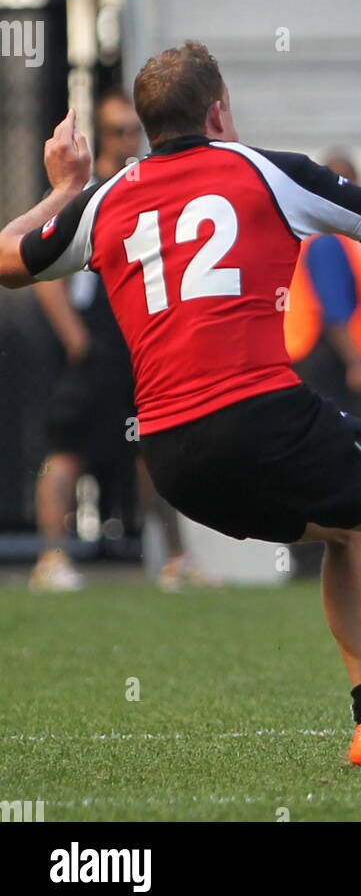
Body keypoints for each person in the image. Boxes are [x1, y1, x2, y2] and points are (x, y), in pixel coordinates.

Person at [0, 42, 361, 767]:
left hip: (171, 456)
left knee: (350, 530)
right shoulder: (264, 169)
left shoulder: (106, 199)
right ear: (220, 108)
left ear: (151, 125)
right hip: (260, 417)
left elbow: (8, 258)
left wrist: (65, 185)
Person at [29, 91, 197, 593]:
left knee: (156, 447)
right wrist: (78, 340)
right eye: (119, 131)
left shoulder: (145, 185)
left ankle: (176, 562)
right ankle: (51, 559)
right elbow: (41, 271)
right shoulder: (84, 193)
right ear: (101, 136)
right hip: (99, 343)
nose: (130, 139)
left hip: (143, 343)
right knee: (68, 448)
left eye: (134, 130)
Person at [283, 151, 361, 580]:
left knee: (312, 458)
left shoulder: (317, 235)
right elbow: (335, 311)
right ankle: (319, 558)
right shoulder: (327, 239)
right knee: (338, 458)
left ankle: (315, 557)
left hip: (311, 358)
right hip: (326, 361)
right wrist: (356, 363)